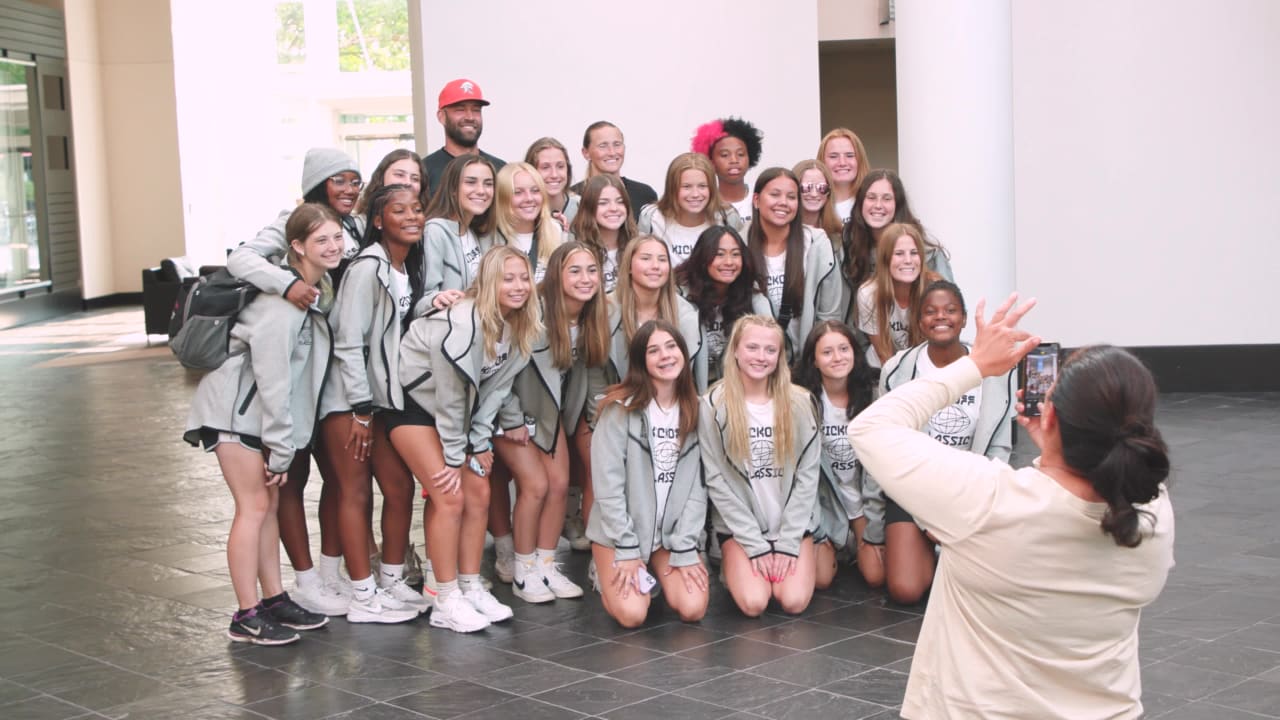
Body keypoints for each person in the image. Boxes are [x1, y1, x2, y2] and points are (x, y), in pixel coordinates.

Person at [849, 294, 1174, 718]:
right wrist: (1057, 450)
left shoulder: (989, 501)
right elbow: (1086, 485)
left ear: (1052, 417)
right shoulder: (1154, 513)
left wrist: (976, 364)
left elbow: (873, 428)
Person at [184, 203, 341, 645]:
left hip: (253, 417)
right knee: (252, 509)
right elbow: (273, 382)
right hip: (234, 416)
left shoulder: (313, 290)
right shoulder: (279, 306)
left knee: (267, 507)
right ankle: (245, 614)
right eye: (320, 240)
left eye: (336, 237)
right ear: (297, 247)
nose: (332, 246)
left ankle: (274, 600)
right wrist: (282, 445)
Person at [227, 148, 363, 615]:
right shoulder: (289, 224)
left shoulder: (356, 229)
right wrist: (285, 285)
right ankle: (296, 583)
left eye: (355, 181)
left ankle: (326, 574)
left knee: (338, 479)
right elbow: (241, 260)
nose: (349, 189)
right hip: (293, 371)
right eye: (338, 181)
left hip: (331, 375)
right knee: (286, 479)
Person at [393, 246, 540, 632]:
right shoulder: (462, 323)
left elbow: (493, 392)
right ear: (488, 282)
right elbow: (450, 395)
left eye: (524, 277)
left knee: (480, 492)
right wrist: (458, 455)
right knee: (449, 493)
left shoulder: (518, 326)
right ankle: (443, 597)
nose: (519, 286)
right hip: (412, 405)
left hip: (456, 416)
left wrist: (479, 444)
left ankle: (470, 585)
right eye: (508, 278)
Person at [864, 281, 1015, 602]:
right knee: (906, 590)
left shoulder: (996, 370)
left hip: (968, 492)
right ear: (919, 322)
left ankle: (944, 550)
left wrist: (968, 511)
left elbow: (1000, 449)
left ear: (963, 319)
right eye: (930, 312)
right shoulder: (897, 369)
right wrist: (903, 521)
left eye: (950, 311)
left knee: (975, 590)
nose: (940, 318)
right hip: (913, 489)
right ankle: (926, 549)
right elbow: (883, 446)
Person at [319, 184, 429, 623]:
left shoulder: (407, 266)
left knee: (399, 489)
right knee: (355, 490)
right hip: (350, 399)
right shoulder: (367, 267)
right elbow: (348, 343)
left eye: (417, 209)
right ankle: (363, 597)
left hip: (382, 399)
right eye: (399, 211)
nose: (411, 216)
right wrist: (360, 409)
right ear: (379, 221)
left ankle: (391, 580)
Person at [490, 243, 608, 602]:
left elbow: (595, 375)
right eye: (574, 270)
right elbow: (498, 375)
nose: (585, 278)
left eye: (592, 270)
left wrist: (597, 414)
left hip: (547, 415)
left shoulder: (592, 317)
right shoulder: (532, 311)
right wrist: (512, 419)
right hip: (507, 413)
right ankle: (523, 570)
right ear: (556, 275)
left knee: (559, 485)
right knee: (536, 485)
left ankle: (545, 565)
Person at [588, 320, 710, 628]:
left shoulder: (698, 411)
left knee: (693, 608)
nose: (665, 356)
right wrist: (627, 548)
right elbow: (608, 488)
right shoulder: (619, 410)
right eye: (653, 350)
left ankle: (653, 569)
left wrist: (685, 545)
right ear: (641, 361)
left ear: (684, 353)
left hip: (669, 537)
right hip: (621, 534)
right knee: (632, 615)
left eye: (671, 347)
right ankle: (602, 567)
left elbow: (700, 488)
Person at [700, 315, 820, 617]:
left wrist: (789, 542)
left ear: (780, 356)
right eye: (752, 347)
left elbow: (808, 478)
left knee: (792, 601)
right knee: (754, 603)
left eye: (770, 350)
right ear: (736, 351)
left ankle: (797, 556)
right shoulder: (713, 405)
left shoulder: (802, 403)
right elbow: (717, 482)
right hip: (743, 529)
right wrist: (755, 544)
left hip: (791, 526)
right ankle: (734, 565)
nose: (761, 357)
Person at [794, 321, 876, 590]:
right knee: (820, 580)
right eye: (827, 352)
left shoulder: (874, 395)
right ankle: (837, 546)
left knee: (876, 576)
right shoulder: (803, 401)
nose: (838, 357)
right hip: (827, 503)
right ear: (814, 361)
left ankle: (852, 547)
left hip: (862, 501)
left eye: (844, 349)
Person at [746, 167, 842, 363]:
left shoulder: (816, 243)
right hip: (756, 363)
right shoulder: (739, 243)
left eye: (791, 197)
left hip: (807, 363)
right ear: (756, 200)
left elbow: (829, 316)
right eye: (774, 194)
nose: (783, 202)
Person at [842, 169, 953, 325]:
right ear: (861, 203)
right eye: (871, 198)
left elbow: (951, 308)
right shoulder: (852, 248)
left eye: (887, 199)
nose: (878, 205)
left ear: (897, 204)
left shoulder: (929, 254)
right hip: (870, 343)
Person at [674, 225, 770, 390]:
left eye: (735, 254)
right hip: (687, 387)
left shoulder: (751, 296)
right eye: (719, 254)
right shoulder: (679, 297)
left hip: (734, 389)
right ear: (703, 258)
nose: (729, 262)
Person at [856, 223, 941, 369]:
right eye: (899, 253)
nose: (908, 260)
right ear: (885, 259)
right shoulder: (868, 293)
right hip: (884, 367)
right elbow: (884, 354)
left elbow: (937, 347)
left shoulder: (935, 288)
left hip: (924, 366)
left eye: (914, 253)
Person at [418, 154, 496, 313]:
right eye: (470, 182)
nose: (481, 191)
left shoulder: (477, 232)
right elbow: (424, 297)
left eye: (488, 184)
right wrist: (435, 299)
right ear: (453, 188)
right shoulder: (434, 231)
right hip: (446, 331)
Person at [636, 152, 743, 269]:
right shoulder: (651, 217)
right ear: (672, 188)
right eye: (686, 187)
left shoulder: (726, 217)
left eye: (702, 186)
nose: (695, 194)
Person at [423, 78, 505, 198]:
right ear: (441, 117)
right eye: (460, 110)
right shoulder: (425, 171)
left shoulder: (500, 168)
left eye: (476, 110)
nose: (470, 117)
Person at [491, 162, 563, 284]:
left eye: (535, 191)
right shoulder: (489, 238)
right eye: (518, 192)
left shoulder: (556, 231)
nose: (529, 198)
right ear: (502, 197)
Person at [570, 121, 656, 218]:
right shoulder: (573, 198)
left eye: (617, 144)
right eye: (603, 146)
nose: (612, 152)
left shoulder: (644, 194)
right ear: (586, 153)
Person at [568, 173, 637, 294]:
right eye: (603, 203)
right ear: (589, 208)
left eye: (620, 202)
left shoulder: (639, 244)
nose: (613, 208)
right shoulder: (574, 247)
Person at [692, 116, 764, 227]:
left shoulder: (762, 196)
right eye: (725, 155)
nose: (734, 160)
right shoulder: (702, 200)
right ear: (710, 160)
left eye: (740, 154)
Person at [816, 128, 870, 224]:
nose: (842, 163)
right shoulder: (812, 205)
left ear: (860, 160)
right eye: (833, 156)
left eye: (849, 155)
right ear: (822, 161)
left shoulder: (872, 203)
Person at [525, 137, 579, 228]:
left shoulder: (582, 208)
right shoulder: (522, 212)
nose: (554, 175)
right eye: (545, 167)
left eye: (560, 166)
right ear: (531, 171)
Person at [356, 148, 425, 215]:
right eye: (400, 175)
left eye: (415, 179)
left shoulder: (428, 223)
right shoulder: (360, 224)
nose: (408, 182)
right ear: (381, 177)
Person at [792, 159, 842, 244]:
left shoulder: (839, 235)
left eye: (822, 188)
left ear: (829, 192)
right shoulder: (782, 232)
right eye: (806, 187)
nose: (814, 194)